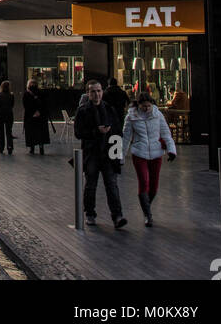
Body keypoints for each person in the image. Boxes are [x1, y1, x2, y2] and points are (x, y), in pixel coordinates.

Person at [74, 79, 128, 229]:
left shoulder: (109, 109)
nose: (97, 94)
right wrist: (95, 131)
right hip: (91, 153)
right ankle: (90, 213)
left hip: (108, 153)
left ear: (102, 92)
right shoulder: (83, 111)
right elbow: (78, 133)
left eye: (98, 91)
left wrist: (118, 154)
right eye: (93, 91)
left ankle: (117, 216)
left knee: (112, 185)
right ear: (88, 93)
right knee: (91, 185)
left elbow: (117, 131)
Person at [122, 89, 177, 226]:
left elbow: (165, 133)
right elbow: (126, 138)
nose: (146, 109)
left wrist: (171, 150)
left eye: (148, 106)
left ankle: (146, 206)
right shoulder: (131, 117)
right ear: (138, 105)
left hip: (156, 152)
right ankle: (148, 214)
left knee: (154, 186)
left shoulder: (157, 115)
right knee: (144, 182)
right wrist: (120, 157)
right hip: (139, 153)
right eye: (143, 106)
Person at [22, 79, 50, 154]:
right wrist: (39, 112)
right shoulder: (41, 92)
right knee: (40, 133)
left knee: (31, 132)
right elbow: (45, 104)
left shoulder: (26, 93)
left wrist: (32, 113)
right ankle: (41, 147)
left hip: (30, 116)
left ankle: (32, 148)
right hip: (41, 117)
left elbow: (25, 105)